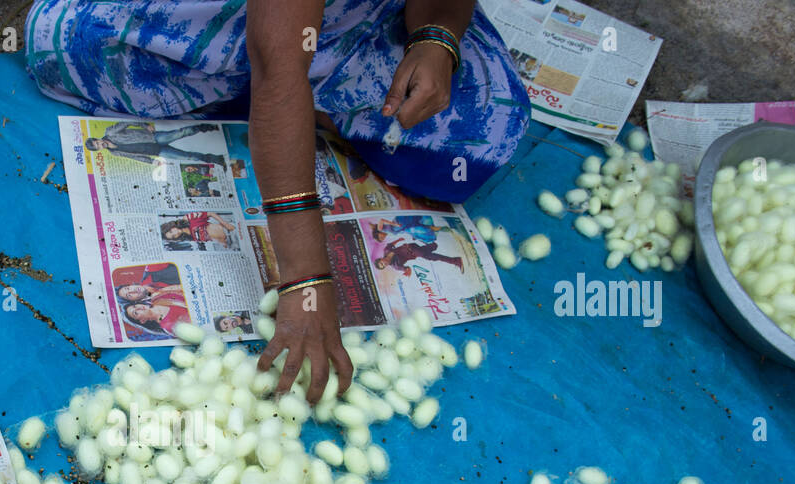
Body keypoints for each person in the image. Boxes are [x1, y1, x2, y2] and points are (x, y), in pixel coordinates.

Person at [26, 0, 530, 402]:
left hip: (356, 18)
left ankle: (265, 97)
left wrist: (436, 37)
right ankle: (280, 97)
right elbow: (281, 60)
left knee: (488, 138)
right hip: (238, 16)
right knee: (62, 43)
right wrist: (307, 281)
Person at [84, 120, 227, 167]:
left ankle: (208, 126)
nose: (99, 145)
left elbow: (126, 123)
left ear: (97, 139)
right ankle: (217, 159)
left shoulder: (111, 132)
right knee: (189, 157)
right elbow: (134, 157)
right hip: (157, 152)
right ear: (98, 150)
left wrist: (145, 125)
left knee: (181, 132)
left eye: (97, 142)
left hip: (154, 139)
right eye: (97, 147)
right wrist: (152, 162)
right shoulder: (114, 152)